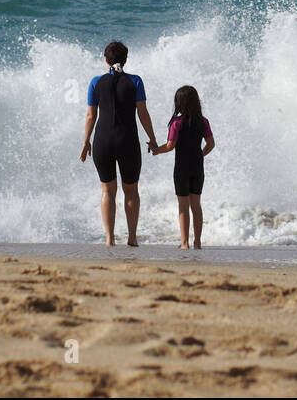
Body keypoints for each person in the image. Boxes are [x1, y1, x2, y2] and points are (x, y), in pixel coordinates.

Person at [80, 41, 159, 247]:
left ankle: (109, 239)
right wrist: (152, 138)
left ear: (105, 60)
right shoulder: (135, 81)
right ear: (126, 59)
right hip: (128, 141)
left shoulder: (95, 82)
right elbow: (142, 113)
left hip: (102, 142)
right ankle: (132, 238)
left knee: (107, 191)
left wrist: (85, 142)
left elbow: (91, 116)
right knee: (131, 191)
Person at [151, 85, 214, 249]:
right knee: (196, 205)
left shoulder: (176, 123)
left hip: (181, 168)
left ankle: (185, 243)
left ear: (179, 103)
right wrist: (200, 155)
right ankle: (198, 242)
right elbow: (211, 144)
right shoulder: (203, 122)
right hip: (197, 168)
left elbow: (170, 146)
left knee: (183, 205)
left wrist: (157, 150)